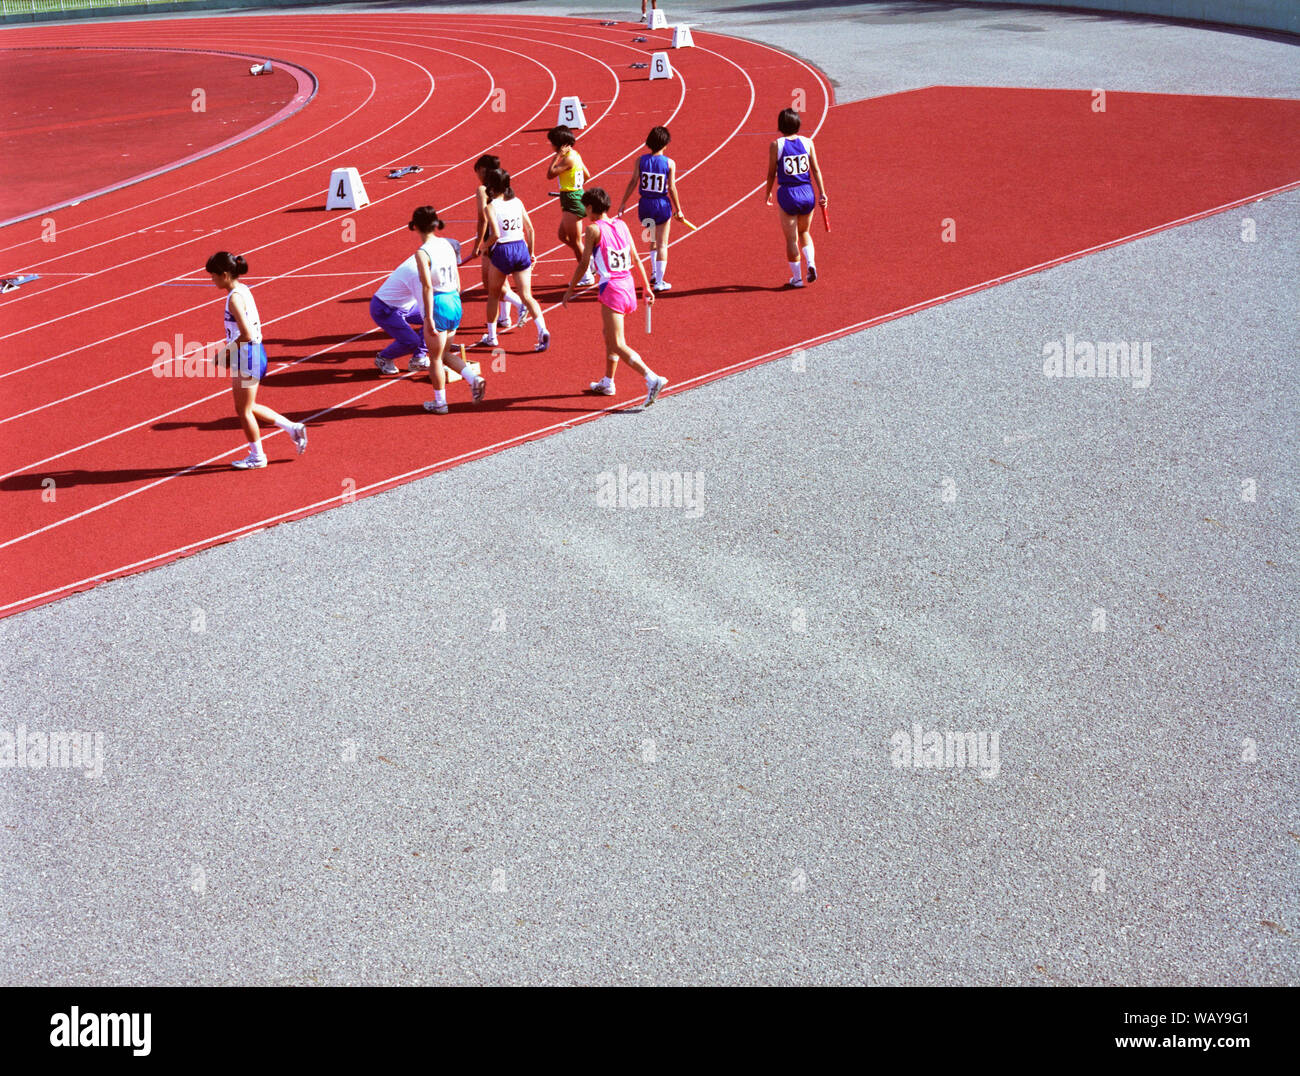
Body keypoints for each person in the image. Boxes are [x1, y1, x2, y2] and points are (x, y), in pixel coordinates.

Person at [562, 187, 667, 408]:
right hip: (627, 284)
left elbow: (584, 263)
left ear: (590, 208)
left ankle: (651, 378)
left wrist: (571, 289)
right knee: (608, 335)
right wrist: (646, 287)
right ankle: (608, 381)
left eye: (585, 207)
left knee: (618, 343)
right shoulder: (621, 224)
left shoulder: (593, 230)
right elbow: (636, 258)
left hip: (612, 287)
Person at [204, 251, 307, 470]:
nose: (211, 280)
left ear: (224, 274)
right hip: (255, 353)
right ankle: (292, 428)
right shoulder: (243, 289)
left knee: (243, 411)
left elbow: (246, 333)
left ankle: (257, 456)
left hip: (247, 355)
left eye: (213, 276)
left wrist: (226, 353)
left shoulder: (234, 298)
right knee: (248, 407)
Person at [397, 206, 486, 414]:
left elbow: (427, 286)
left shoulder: (422, 253)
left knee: (434, 358)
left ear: (415, 227)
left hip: (438, 303)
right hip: (454, 300)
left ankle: (440, 403)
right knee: (444, 353)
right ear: (436, 224)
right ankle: (474, 379)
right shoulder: (447, 244)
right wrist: (456, 296)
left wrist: (428, 316)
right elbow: (456, 275)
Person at [477, 169, 549, 351]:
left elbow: (495, 234)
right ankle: (542, 329)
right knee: (527, 295)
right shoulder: (517, 202)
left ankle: (492, 336)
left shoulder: (491, 206)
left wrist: (483, 247)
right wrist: (531, 253)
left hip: (503, 249)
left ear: (490, 187)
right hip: (521, 247)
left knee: (493, 295)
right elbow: (530, 230)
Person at [763, 108, 827, 287]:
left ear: (780, 125)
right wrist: (822, 192)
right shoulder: (808, 142)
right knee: (805, 232)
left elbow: (771, 174)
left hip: (789, 193)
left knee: (791, 239)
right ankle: (811, 263)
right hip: (807, 192)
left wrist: (767, 192)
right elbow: (815, 169)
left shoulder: (777, 144)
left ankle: (797, 279)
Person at [619, 125, 685, 291]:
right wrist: (678, 209)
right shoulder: (669, 163)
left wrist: (623, 202)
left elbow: (633, 181)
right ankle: (660, 281)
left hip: (645, 206)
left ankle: (654, 273)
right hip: (661, 205)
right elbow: (671, 187)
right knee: (663, 244)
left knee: (652, 239)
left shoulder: (640, 161)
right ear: (665, 144)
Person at [468, 154, 526, 333]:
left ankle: (520, 304)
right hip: (510, 237)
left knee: (490, 284)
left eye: (477, 171)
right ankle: (505, 317)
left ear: (482, 170)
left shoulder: (482, 189)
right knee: (502, 279)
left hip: (492, 238)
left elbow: (482, 218)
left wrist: (478, 245)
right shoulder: (505, 188)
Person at [546, 126, 594, 287]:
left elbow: (550, 174)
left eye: (552, 143)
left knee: (575, 240)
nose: (550, 145)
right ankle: (589, 261)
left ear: (559, 145)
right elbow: (587, 175)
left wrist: (557, 156)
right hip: (573, 197)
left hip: (572, 199)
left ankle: (586, 274)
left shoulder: (567, 159)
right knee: (563, 236)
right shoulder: (575, 155)